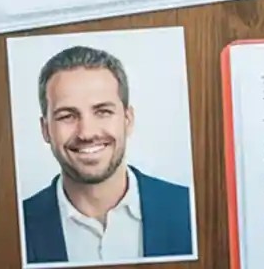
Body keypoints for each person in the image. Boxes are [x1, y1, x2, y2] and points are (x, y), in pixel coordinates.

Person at [21, 46, 194, 264]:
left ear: (128, 120)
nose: (87, 133)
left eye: (103, 112)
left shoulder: (190, 209)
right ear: (45, 129)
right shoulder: (15, 226)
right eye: (67, 116)